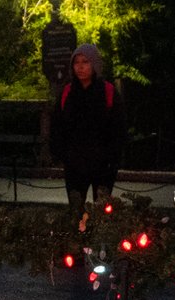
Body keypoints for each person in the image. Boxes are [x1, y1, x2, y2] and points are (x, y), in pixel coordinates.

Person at [50, 42, 126, 212]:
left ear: (94, 64)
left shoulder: (108, 92)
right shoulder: (67, 92)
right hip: (74, 163)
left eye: (85, 62)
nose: (80, 67)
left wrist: (113, 157)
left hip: (103, 163)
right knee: (76, 209)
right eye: (76, 62)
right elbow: (57, 125)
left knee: (102, 210)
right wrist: (61, 153)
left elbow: (118, 128)